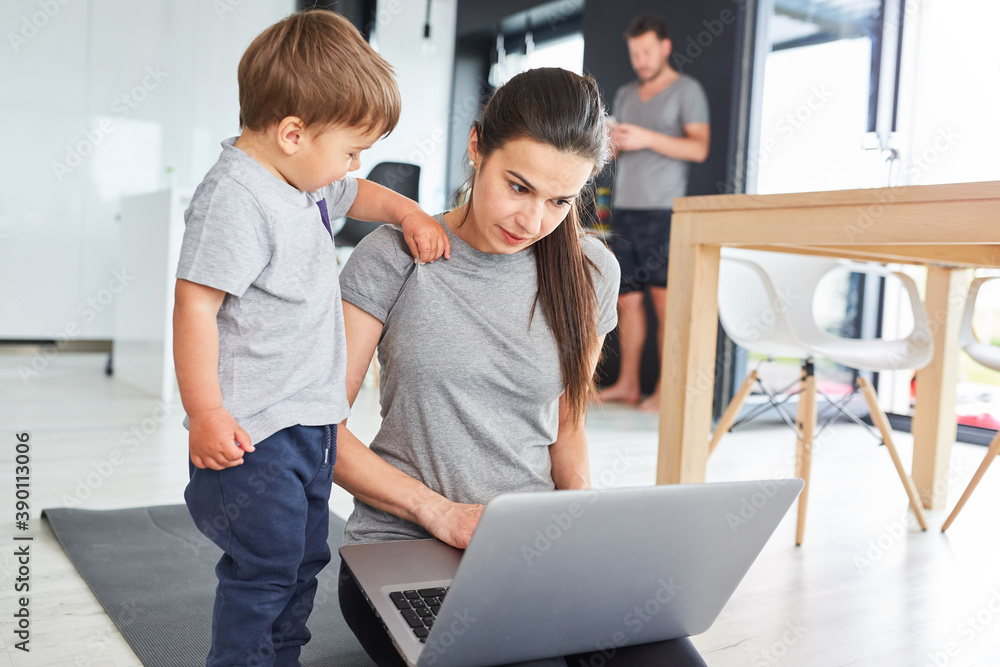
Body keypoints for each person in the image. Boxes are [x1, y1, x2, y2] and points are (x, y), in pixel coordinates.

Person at [333, 68, 706, 667]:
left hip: (536, 551)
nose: (532, 222)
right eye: (518, 187)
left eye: (559, 201)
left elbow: (568, 424)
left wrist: (583, 525)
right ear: (477, 146)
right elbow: (319, 430)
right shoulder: (394, 255)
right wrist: (440, 514)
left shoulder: (592, 272)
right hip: (403, 550)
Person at [173, 10, 450, 667]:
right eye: (351, 150)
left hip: (309, 426)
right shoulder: (236, 197)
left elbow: (357, 193)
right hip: (253, 437)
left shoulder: (302, 180)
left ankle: (283, 658)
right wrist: (205, 413)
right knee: (265, 570)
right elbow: (194, 307)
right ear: (293, 133)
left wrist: (409, 212)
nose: (355, 165)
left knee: (302, 560)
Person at [596, 15, 711, 412]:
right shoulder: (626, 94)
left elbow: (698, 148)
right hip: (624, 210)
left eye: (646, 52)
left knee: (665, 304)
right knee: (626, 302)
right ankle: (628, 384)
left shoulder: (687, 90)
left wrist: (646, 136)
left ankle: (666, 388)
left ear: (664, 48)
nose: (640, 60)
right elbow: (615, 152)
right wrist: (611, 142)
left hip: (664, 213)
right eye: (634, 54)